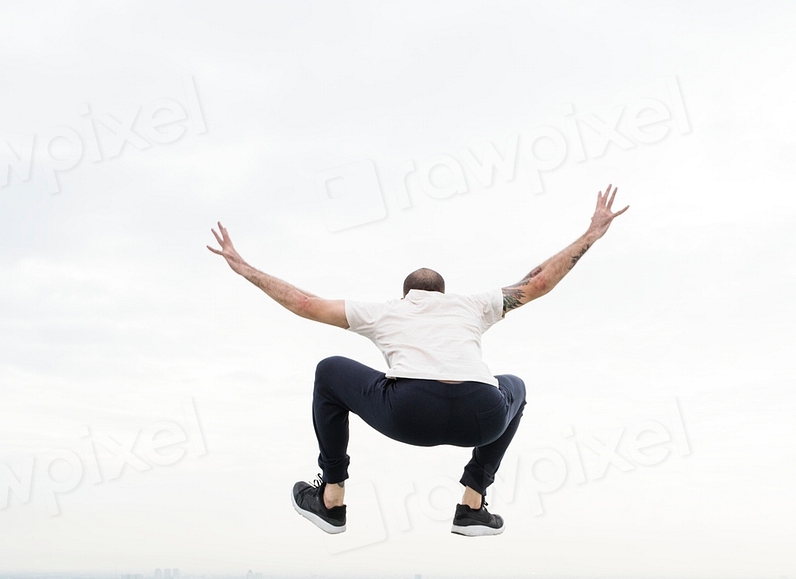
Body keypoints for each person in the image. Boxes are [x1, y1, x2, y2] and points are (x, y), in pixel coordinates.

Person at [207, 185, 628, 536]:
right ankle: (473, 503)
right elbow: (536, 282)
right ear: (443, 294)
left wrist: (246, 270)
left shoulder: (387, 311)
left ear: (406, 294)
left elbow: (304, 303)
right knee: (514, 385)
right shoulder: (473, 305)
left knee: (329, 371)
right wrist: (590, 234)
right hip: (482, 415)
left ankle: (331, 499)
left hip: (409, 414)